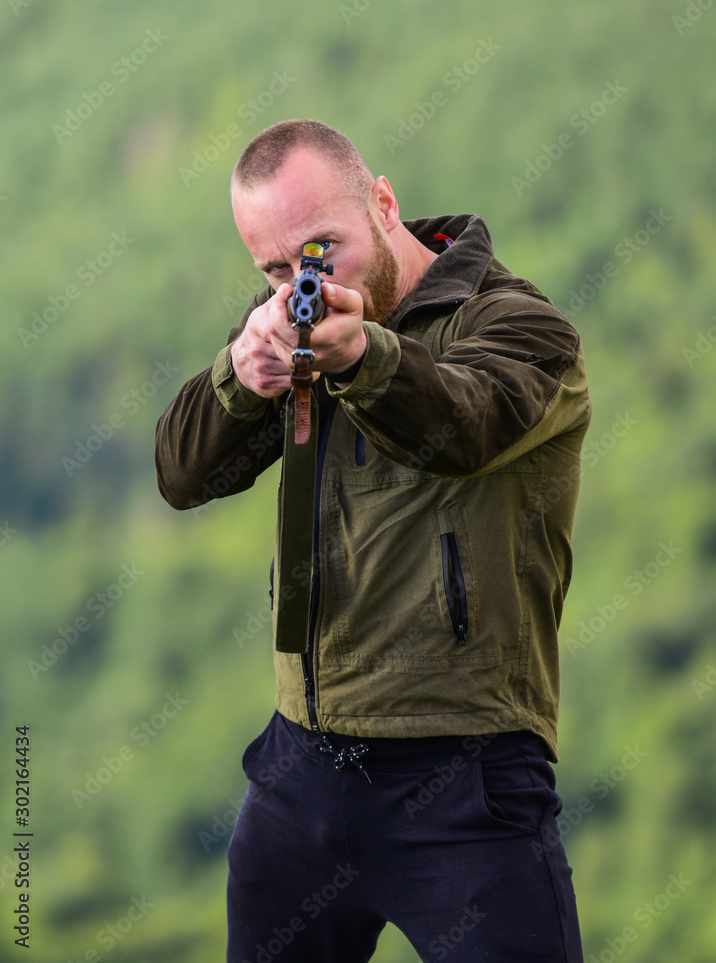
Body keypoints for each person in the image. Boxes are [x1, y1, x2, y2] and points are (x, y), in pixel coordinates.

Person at [155, 118, 591, 963]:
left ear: (384, 203)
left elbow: (463, 424)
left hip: (466, 782)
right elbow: (181, 474)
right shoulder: (292, 319)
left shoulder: (525, 329)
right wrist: (240, 379)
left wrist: (361, 360)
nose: (298, 283)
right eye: (275, 268)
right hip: (299, 774)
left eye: (320, 251)